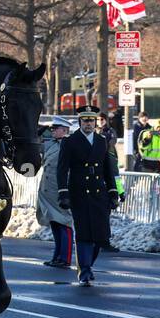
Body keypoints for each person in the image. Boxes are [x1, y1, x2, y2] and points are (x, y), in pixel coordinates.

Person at [57, 106, 120, 286]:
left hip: (99, 193)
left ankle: (88, 264)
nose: (88, 124)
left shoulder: (101, 141)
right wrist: (63, 193)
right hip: (79, 193)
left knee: (100, 236)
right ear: (80, 122)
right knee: (84, 234)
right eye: (85, 120)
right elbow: (62, 170)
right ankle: (84, 270)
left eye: (91, 121)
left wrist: (113, 191)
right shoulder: (70, 141)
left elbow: (108, 169)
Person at [37, 119, 74, 268]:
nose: (52, 131)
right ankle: (57, 256)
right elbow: (36, 148)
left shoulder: (70, 145)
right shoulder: (51, 144)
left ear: (64, 130)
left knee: (64, 223)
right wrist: (37, 133)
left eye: (55, 129)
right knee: (55, 224)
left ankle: (65, 258)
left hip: (61, 190)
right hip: (48, 191)